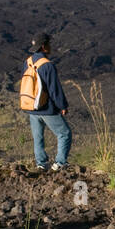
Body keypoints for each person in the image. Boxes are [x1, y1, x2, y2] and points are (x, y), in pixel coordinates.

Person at [23, 32, 71, 172]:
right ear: (44, 47)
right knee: (64, 133)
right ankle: (60, 164)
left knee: (38, 137)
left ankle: (41, 164)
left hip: (31, 107)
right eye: (49, 44)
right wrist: (63, 106)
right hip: (47, 108)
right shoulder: (47, 65)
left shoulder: (28, 62)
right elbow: (54, 89)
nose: (50, 46)